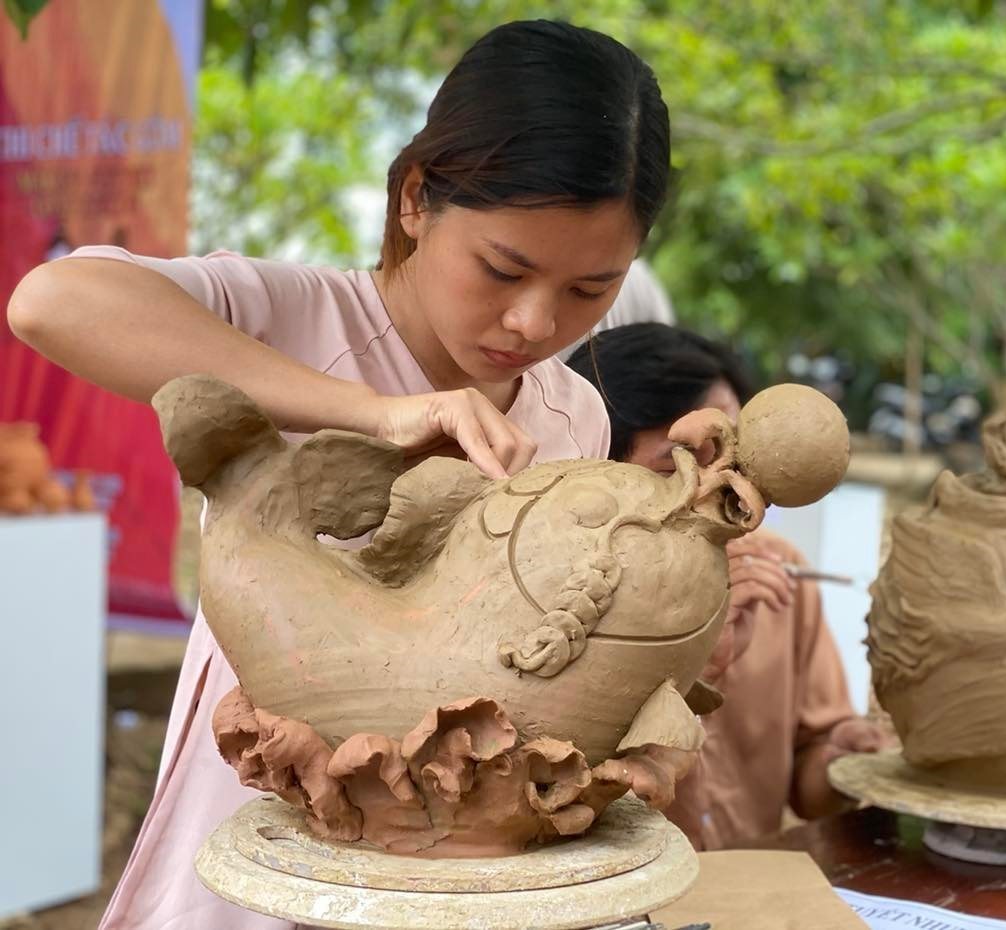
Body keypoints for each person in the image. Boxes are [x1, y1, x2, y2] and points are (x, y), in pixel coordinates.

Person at [8, 20, 670, 929]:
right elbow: (52, 303)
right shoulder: (289, 318)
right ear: (415, 199)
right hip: (255, 853)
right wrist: (372, 412)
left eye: (589, 290)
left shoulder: (574, 415)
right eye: (502, 268)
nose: (530, 321)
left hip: (452, 877)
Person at [567, 323, 887, 850]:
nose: (725, 495)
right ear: (595, 468)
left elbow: (812, 789)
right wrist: (690, 662)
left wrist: (844, 758)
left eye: (737, 465)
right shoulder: (561, 601)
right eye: (680, 468)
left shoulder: (781, 577)